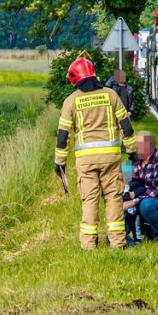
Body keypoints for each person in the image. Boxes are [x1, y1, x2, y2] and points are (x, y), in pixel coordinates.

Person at [55, 56, 136, 250]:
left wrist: (60, 163)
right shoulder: (110, 95)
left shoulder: (71, 101)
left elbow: (62, 135)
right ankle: (117, 243)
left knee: (89, 200)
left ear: (75, 80)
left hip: (86, 161)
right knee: (113, 198)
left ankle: (89, 245)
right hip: (110, 158)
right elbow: (127, 126)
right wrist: (132, 151)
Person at [124, 131, 158, 242]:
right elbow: (125, 181)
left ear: (149, 146)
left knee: (146, 205)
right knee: (126, 206)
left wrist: (133, 200)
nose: (136, 148)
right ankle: (140, 232)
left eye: (139, 145)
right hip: (142, 198)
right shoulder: (135, 162)